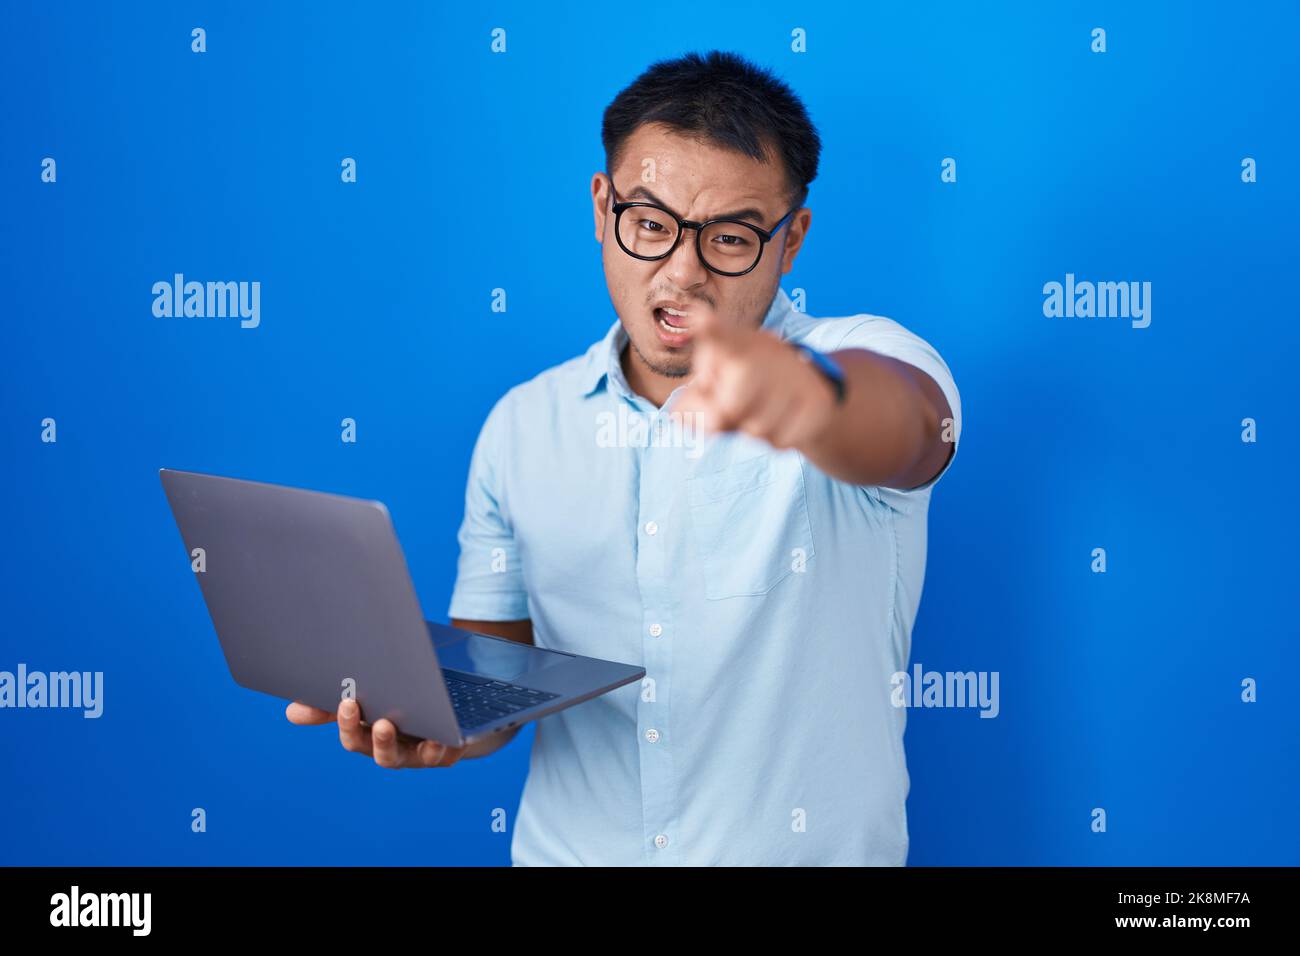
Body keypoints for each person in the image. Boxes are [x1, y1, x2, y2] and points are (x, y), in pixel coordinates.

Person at [288, 49, 961, 866]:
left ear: (791, 242)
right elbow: (493, 676)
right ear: (603, 208)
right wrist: (442, 725)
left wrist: (811, 401)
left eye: (733, 238)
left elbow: (907, 426)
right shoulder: (523, 423)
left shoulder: (859, 357)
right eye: (651, 224)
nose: (683, 272)